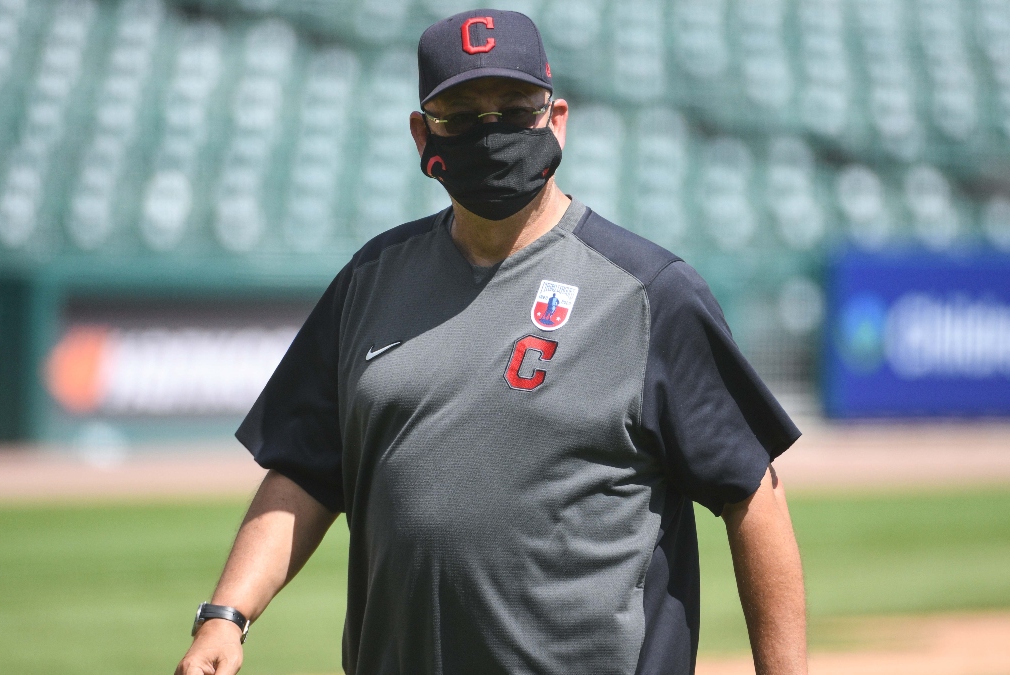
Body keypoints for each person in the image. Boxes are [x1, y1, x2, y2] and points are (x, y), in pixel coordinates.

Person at [176, 9, 807, 675]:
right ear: (423, 135)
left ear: (556, 119)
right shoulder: (369, 281)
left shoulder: (649, 292)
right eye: (462, 114)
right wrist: (227, 613)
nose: (493, 130)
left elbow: (752, 493)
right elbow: (304, 469)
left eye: (515, 108)